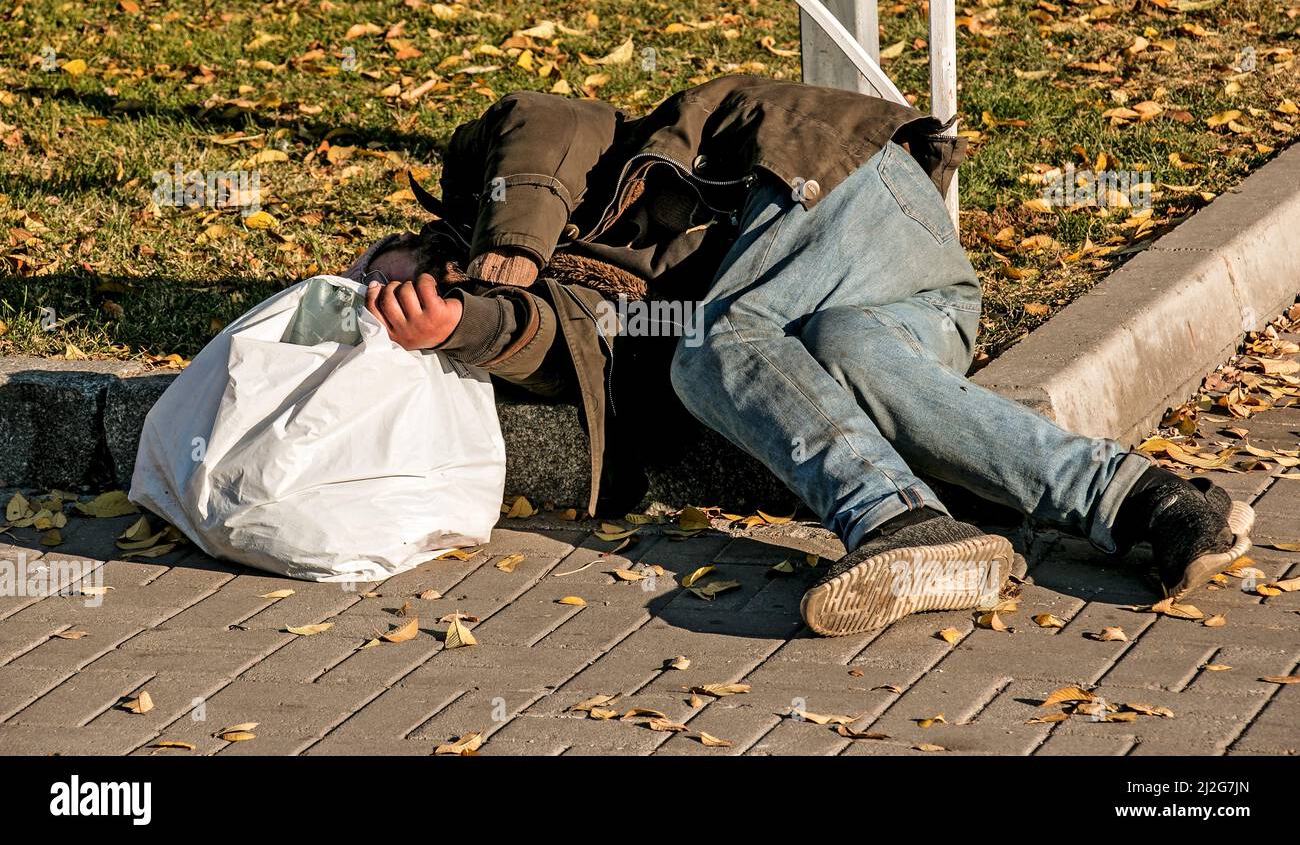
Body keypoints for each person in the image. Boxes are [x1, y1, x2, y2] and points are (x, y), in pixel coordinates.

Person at [346, 75, 1252, 637]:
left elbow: (545, 121)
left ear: (428, 237)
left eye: (383, 275)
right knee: (847, 355)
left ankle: (899, 528)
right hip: (908, 292)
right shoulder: (545, 288)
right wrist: (461, 330)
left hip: (838, 181)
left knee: (713, 345)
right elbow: (564, 349)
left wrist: (501, 262)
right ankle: (1153, 505)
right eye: (377, 302)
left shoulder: (500, 181)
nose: (386, 291)